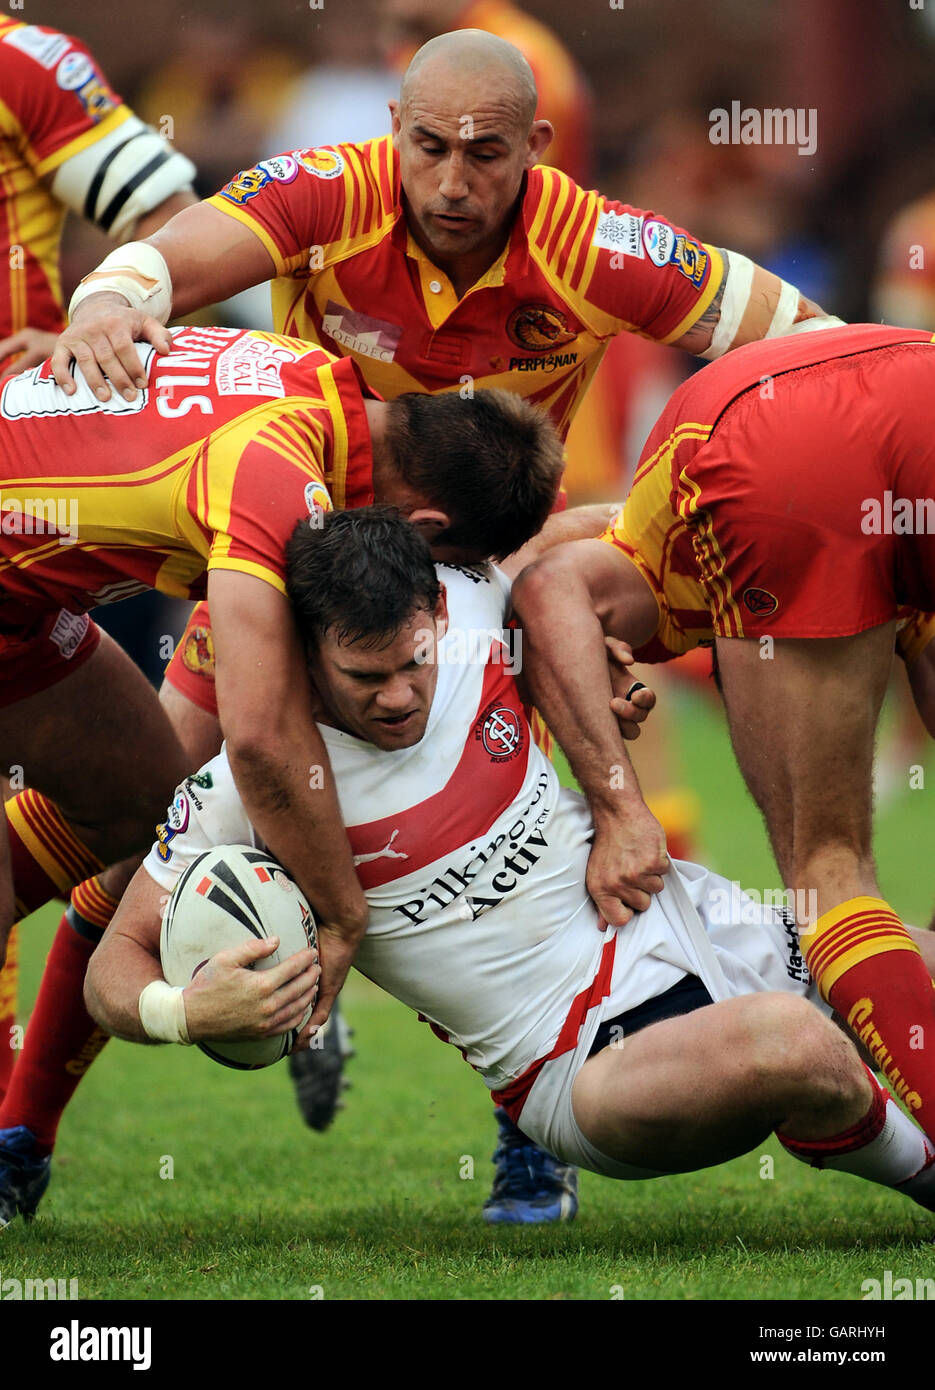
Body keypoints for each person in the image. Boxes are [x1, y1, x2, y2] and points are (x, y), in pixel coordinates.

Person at [45, 25, 843, 1222]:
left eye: (484, 152)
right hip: (286, 556)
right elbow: (170, 257)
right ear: (394, 135)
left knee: (534, 821)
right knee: (130, 814)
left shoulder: (594, 241)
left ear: (535, 145)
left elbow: (809, 345)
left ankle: (532, 1124)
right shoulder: (335, 188)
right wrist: (112, 295)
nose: (453, 180)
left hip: (480, 567)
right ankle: (23, 1128)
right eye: (428, 147)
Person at [81, 509, 935, 1224]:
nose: (400, 695)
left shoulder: (476, 601)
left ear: (438, 615)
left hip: (705, 925)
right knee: (797, 1048)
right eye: (363, 676)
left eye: (414, 661)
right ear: (305, 655)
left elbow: (615, 530)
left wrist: (600, 648)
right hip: (584, 1063)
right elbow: (110, 969)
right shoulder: (244, 785)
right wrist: (183, 1013)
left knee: (906, 971)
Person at [0, 327, 567, 1227]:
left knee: (147, 800)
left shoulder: (308, 380)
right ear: (424, 533)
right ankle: (18, 1138)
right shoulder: (279, 484)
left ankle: (16, 1143)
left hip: (25, 604)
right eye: (450, 573)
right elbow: (261, 739)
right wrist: (341, 918)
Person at [511, 319, 935, 1141]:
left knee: (826, 874)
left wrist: (621, 806)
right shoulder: (650, 529)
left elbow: (543, 584)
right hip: (895, 378)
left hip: (773, 433)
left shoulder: (629, 547)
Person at [0, 16, 198, 1093]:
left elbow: (172, 220)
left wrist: (104, 317)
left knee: (144, 796)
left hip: (29, 494)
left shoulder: (21, 62)